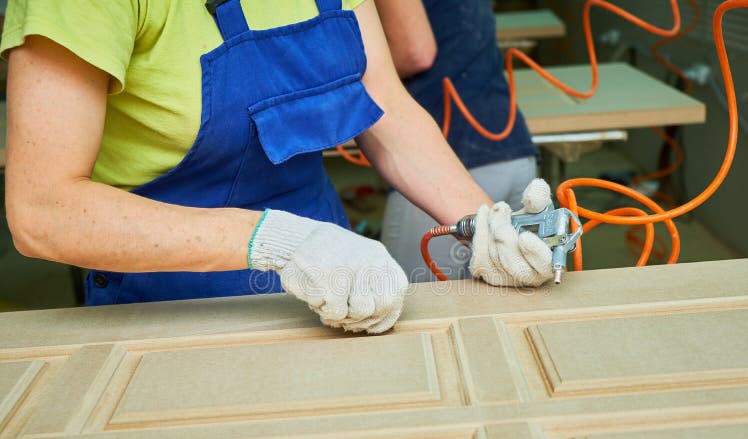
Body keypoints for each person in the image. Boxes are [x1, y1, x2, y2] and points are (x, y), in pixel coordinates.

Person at [1, 0, 553, 334]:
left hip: (337, 289)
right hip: (169, 306)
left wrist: (484, 226)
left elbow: (384, 104)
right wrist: (282, 244)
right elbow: (42, 210)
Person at [375, 0, 542, 282]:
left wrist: (341, 74)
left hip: (442, 165)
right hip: (511, 148)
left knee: (415, 311)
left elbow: (414, 52)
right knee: (512, 303)